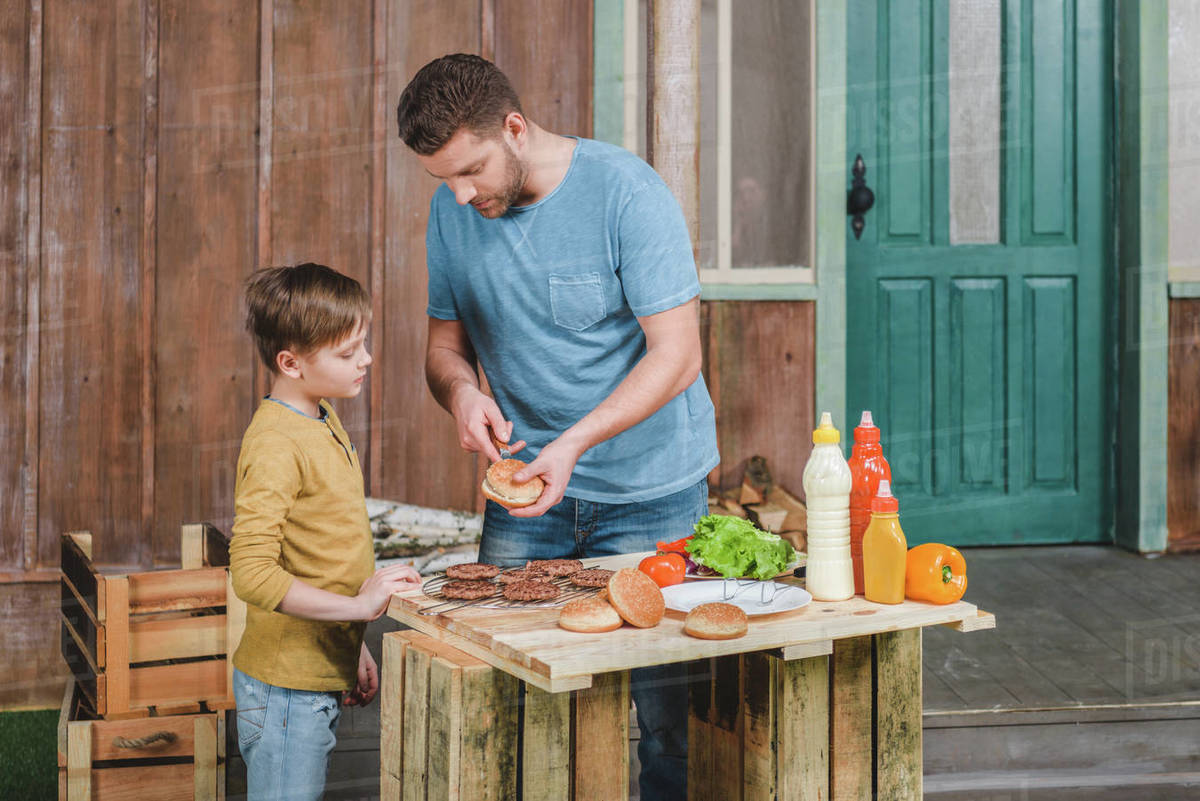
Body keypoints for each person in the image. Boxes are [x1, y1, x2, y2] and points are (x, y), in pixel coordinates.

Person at [396, 54, 719, 801]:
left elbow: (678, 355)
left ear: (514, 128)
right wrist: (462, 394)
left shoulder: (625, 192)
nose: (457, 193)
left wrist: (573, 441)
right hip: (527, 501)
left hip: (653, 493)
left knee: (669, 715)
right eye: (442, 178)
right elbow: (444, 348)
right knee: (511, 700)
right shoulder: (453, 210)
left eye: (470, 170)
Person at [229, 263, 421, 801]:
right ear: (290, 362)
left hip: (315, 670)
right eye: (347, 352)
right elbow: (252, 572)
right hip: (285, 688)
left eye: (363, 344)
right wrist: (361, 610)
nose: (366, 359)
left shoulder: (320, 415)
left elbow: (321, 553)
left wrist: (351, 643)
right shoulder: (275, 443)